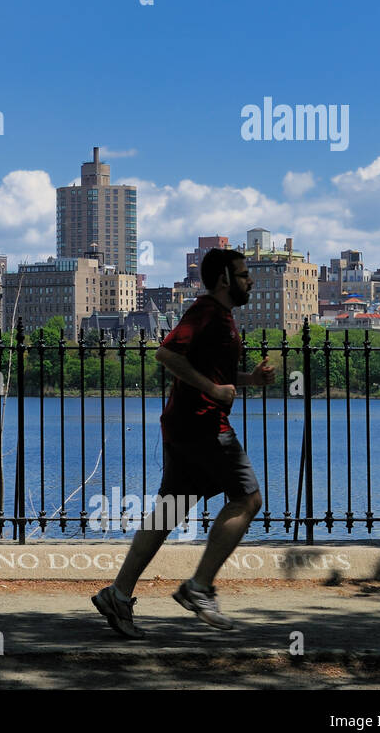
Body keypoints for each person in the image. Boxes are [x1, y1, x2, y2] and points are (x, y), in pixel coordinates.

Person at [92, 248, 276, 636]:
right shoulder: (206, 311)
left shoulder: (222, 317)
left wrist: (248, 380)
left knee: (168, 511)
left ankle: (118, 595)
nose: (250, 281)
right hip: (203, 425)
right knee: (247, 499)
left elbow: (215, 372)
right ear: (225, 279)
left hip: (184, 425)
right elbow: (165, 354)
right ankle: (199, 588)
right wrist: (212, 389)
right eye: (243, 275)